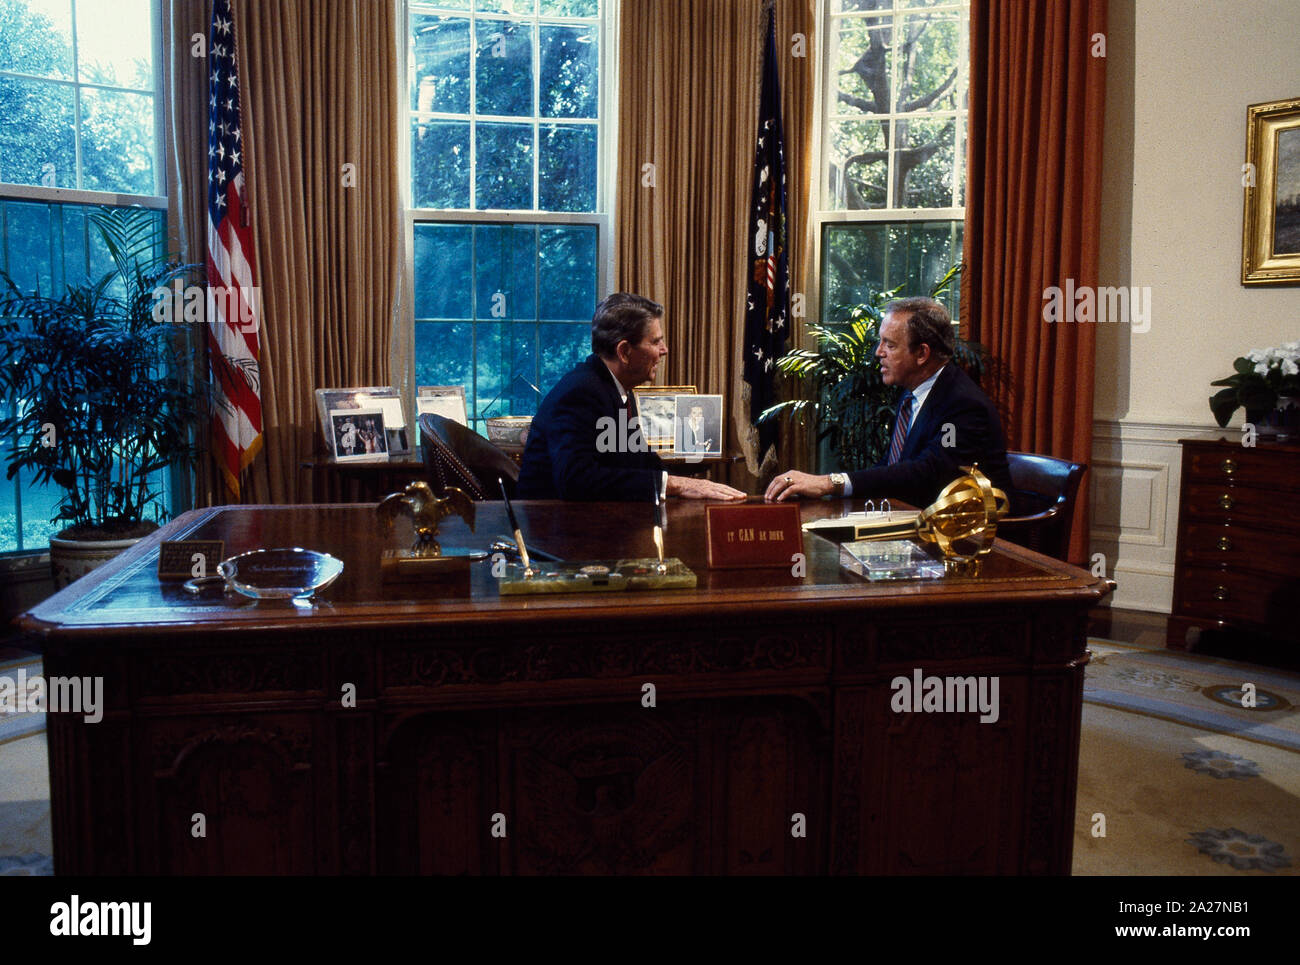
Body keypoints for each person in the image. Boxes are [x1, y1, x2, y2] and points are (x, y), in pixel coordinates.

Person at [765, 296, 1013, 508]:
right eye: (881, 341)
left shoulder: (963, 405)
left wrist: (831, 483)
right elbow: (893, 466)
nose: (878, 352)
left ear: (922, 354)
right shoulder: (911, 392)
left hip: (972, 540)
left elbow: (928, 473)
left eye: (889, 344)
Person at [518, 293, 747, 502]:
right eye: (656, 341)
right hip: (553, 536)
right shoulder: (581, 392)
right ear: (625, 352)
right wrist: (674, 485)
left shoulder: (615, 387)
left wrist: (695, 485)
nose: (664, 350)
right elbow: (576, 480)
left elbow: (640, 461)